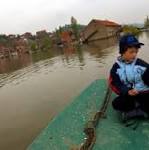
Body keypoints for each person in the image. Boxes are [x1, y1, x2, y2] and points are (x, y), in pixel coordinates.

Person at [109, 34, 149, 120]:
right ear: (123, 51)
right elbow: (116, 83)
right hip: (129, 96)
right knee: (116, 103)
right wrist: (127, 91)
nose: (134, 55)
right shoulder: (116, 68)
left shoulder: (140, 63)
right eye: (131, 52)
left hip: (143, 93)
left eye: (136, 52)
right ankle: (138, 110)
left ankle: (137, 111)